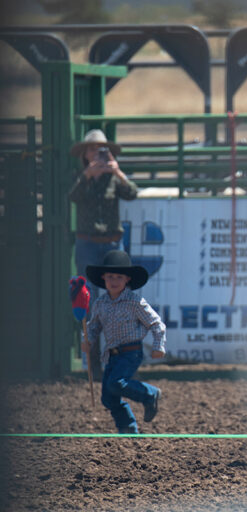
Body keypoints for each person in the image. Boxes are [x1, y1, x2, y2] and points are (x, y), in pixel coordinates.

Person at [69, 129, 138, 376]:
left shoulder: (113, 178)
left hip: (111, 246)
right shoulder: (82, 177)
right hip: (88, 243)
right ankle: (94, 366)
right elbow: (72, 196)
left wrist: (116, 171)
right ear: (84, 155)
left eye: (100, 150)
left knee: (117, 304)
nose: (95, 154)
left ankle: (119, 363)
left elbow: (132, 192)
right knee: (88, 303)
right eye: (91, 150)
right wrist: (88, 175)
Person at [84, 250, 165, 434]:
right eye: (110, 276)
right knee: (108, 398)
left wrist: (158, 345)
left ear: (127, 279)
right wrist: (87, 340)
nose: (114, 280)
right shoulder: (100, 303)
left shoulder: (135, 302)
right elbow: (93, 326)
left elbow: (156, 323)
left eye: (119, 276)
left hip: (131, 351)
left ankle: (150, 394)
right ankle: (127, 427)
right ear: (103, 277)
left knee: (116, 383)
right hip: (112, 355)